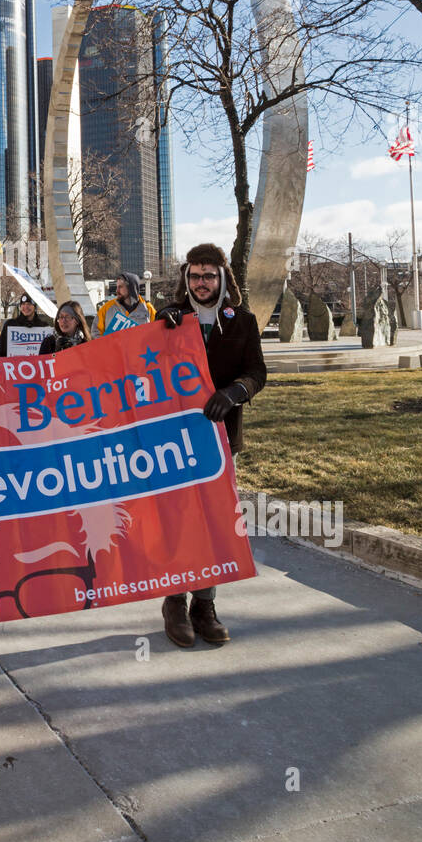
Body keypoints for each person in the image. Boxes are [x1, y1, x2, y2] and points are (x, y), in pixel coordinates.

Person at [157, 242, 267, 648]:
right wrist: (154, 331)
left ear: (222, 279)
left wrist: (235, 391)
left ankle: (205, 605)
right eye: (194, 276)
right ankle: (175, 600)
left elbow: (257, 371)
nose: (201, 283)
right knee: (180, 521)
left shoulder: (242, 321)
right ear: (186, 278)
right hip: (172, 440)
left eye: (209, 276)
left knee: (215, 523)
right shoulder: (170, 320)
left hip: (220, 440)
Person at [91, 272, 156, 337]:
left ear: (131, 288)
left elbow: (157, 333)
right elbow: (95, 332)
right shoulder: (106, 308)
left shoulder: (148, 309)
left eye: (120, 287)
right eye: (117, 287)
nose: (117, 290)